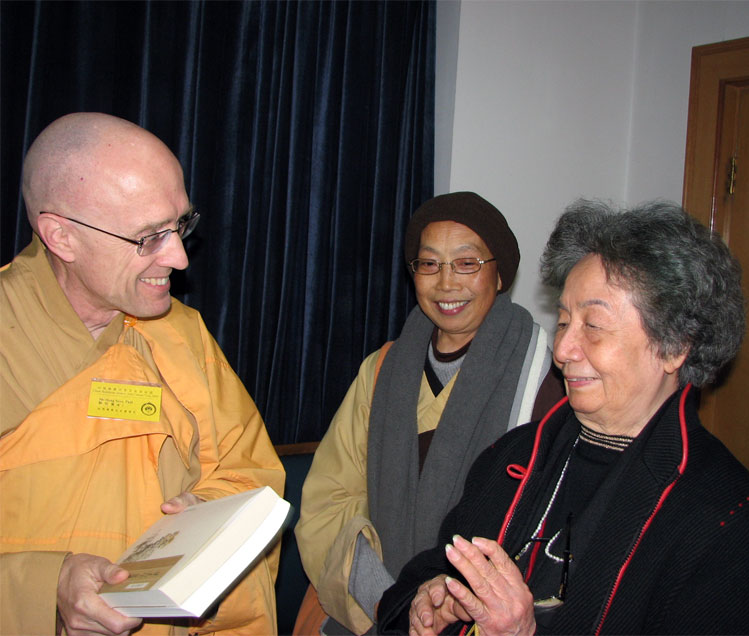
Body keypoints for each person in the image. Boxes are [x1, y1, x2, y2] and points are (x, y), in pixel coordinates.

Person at [376, 199, 749, 636]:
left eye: (593, 326)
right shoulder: (512, 456)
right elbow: (421, 577)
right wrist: (427, 601)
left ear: (675, 346)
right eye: (564, 322)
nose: (564, 350)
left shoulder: (724, 518)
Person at [0, 113, 285, 636]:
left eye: (180, 224)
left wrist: (209, 516)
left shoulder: (182, 334)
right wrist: (44, 588)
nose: (178, 257)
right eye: (148, 237)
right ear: (60, 236)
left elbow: (252, 472)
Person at [294, 192, 564, 634]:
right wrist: (391, 602)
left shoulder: (543, 384)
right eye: (429, 264)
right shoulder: (381, 370)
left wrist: (444, 604)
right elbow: (329, 500)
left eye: (466, 263)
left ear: (499, 276)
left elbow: (541, 531)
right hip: (368, 607)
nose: (445, 283)